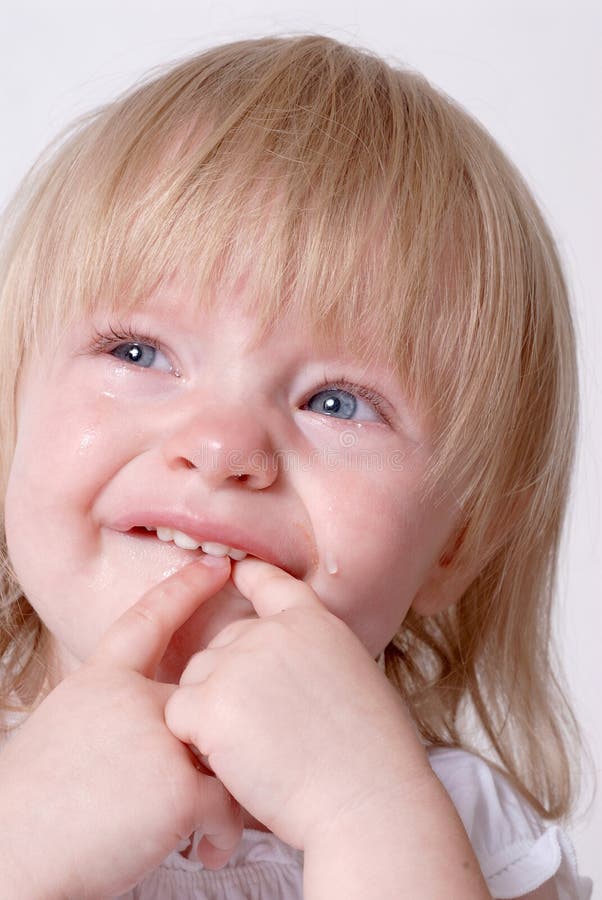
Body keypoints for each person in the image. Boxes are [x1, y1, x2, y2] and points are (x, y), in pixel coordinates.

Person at [0, 33, 592, 899]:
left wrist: (367, 813)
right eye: (138, 350)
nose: (223, 447)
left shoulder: (461, 833)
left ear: (458, 541)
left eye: (337, 402)